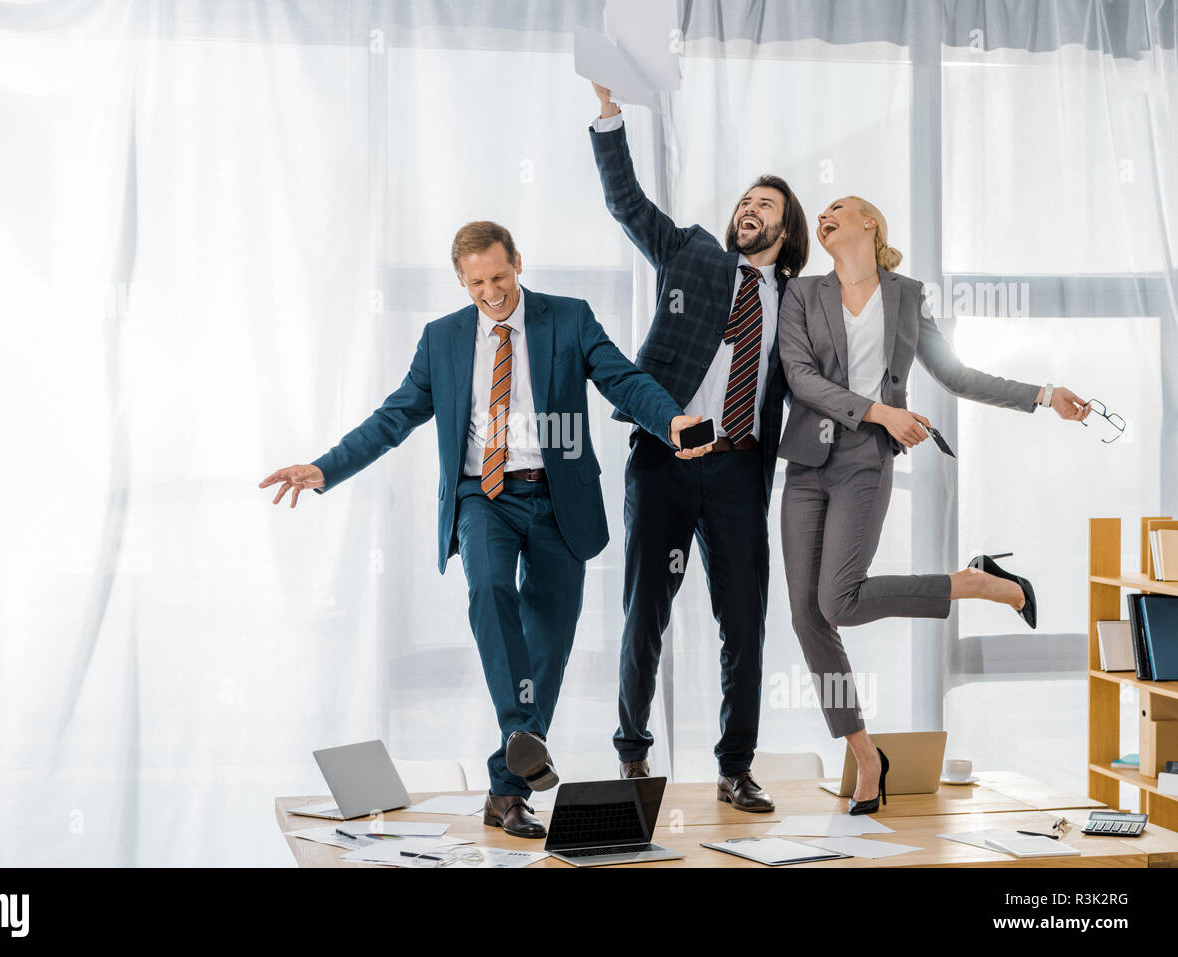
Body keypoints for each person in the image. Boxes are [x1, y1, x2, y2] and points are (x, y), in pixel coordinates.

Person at [260, 221, 710, 838]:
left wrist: (671, 419)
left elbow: (621, 377)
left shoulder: (568, 318)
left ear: (518, 263)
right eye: (477, 283)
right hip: (484, 497)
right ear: (461, 280)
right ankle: (523, 731)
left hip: (557, 500)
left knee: (549, 643)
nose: (491, 292)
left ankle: (505, 792)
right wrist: (324, 466)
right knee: (490, 589)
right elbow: (394, 417)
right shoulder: (442, 339)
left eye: (499, 277)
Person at [777, 195, 1092, 814]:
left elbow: (956, 375)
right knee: (808, 616)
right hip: (806, 465)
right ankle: (867, 755)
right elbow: (798, 374)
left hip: (864, 462)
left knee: (837, 600)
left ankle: (972, 583)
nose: (824, 214)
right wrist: (881, 410)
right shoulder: (803, 293)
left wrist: (1045, 393)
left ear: (869, 222)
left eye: (838, 207)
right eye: (821, 212)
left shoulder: (905, 296)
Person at [588, 82, 810, 813]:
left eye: (766, 206)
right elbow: (626, 202)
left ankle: (735, 765)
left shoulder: (799, 303)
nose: (750, 209)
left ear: (786, 233)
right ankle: (631, 754)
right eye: (746, 201)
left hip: (742, 472)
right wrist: (609, 113)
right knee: (645, 609)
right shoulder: (689, 253)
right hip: (665, 459)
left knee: (745, 621)